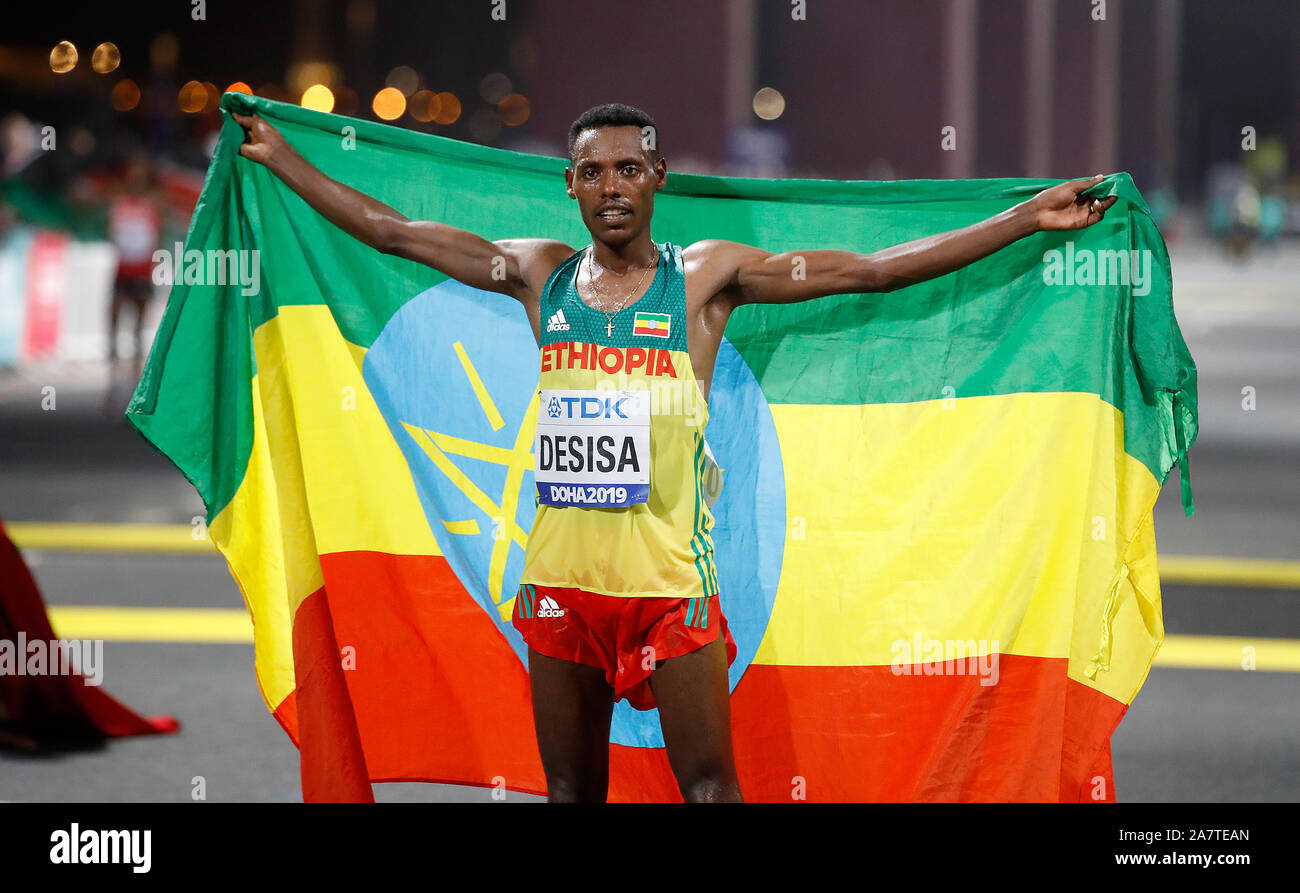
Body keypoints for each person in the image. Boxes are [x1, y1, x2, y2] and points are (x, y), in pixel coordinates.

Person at [232, 102, 1117, 803]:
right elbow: (392, 231)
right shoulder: (538, 274)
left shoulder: (703, 280)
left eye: (627, 168)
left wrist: (1024, 219)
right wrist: (282, 159)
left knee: (708, 787)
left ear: (657, 177)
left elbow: (871, 271)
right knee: (571, 789)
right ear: (568, 188)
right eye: (590, 172)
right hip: (561, 593)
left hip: (670, 599)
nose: (610, 186)